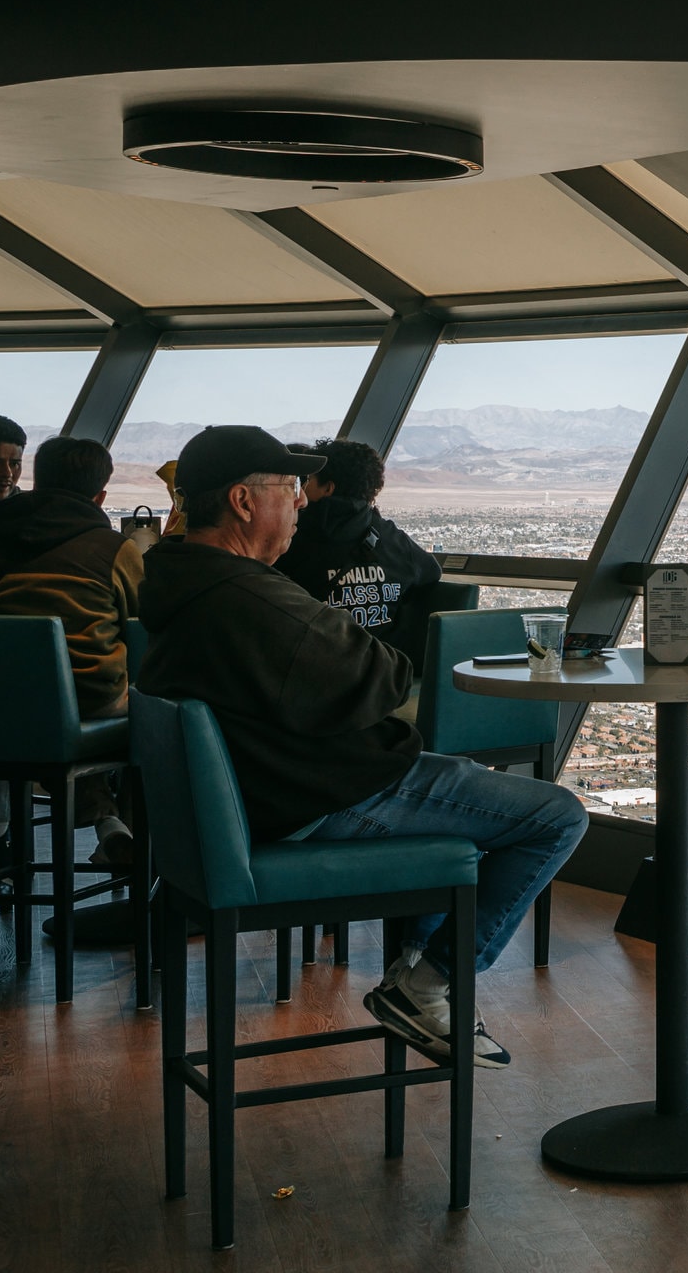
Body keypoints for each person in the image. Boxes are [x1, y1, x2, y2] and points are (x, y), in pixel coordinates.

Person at [139, 426, 584, 1068]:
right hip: (324, 795)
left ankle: (417, 972)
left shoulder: (180, 582)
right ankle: (429, 984)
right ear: (242, 501)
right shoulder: (254, 599)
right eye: (289, 489)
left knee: (475, 800)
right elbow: (383, 676)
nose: (299, 503)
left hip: (270, 791)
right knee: (556, 816)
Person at [0, 436, 143, 865]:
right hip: (90, 699)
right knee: (158, 709)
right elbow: (142, 625)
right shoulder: (113, 549)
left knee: (50, 709)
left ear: (33, 479)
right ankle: (141, 848)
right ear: (101, 496)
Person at [273, 437, 441, 658]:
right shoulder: (392, 539)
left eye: (309, 481)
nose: (302, 493)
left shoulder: (290, 536)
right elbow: (431, 572)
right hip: (384, 675)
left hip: (308, 671)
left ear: (328, 488)